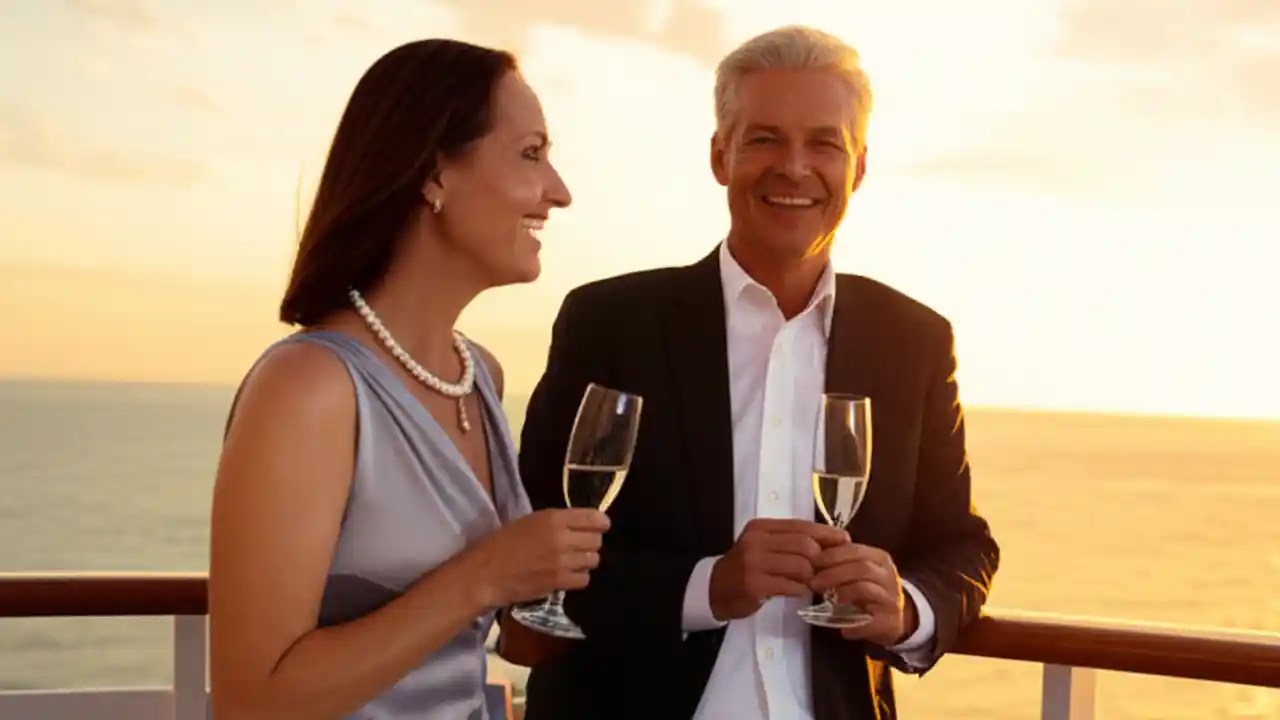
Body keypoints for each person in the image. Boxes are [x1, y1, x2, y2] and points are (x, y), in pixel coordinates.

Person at [514, 25, 1000, 719]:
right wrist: (707, 587)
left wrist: (910, 607)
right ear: (721, 155)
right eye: (765, 138)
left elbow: (961, 541)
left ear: (859, 166)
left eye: (824, 143)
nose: (794, 168)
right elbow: (533, 542)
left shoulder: (913, 340)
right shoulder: (610, 322)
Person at [207, 39, 609, 720]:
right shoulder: (309, 389)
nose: (559, 191)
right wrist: (485, 577)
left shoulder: (478, 375)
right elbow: (254, 700)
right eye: (531, 153)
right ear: (434, 173)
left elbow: (497, 639)